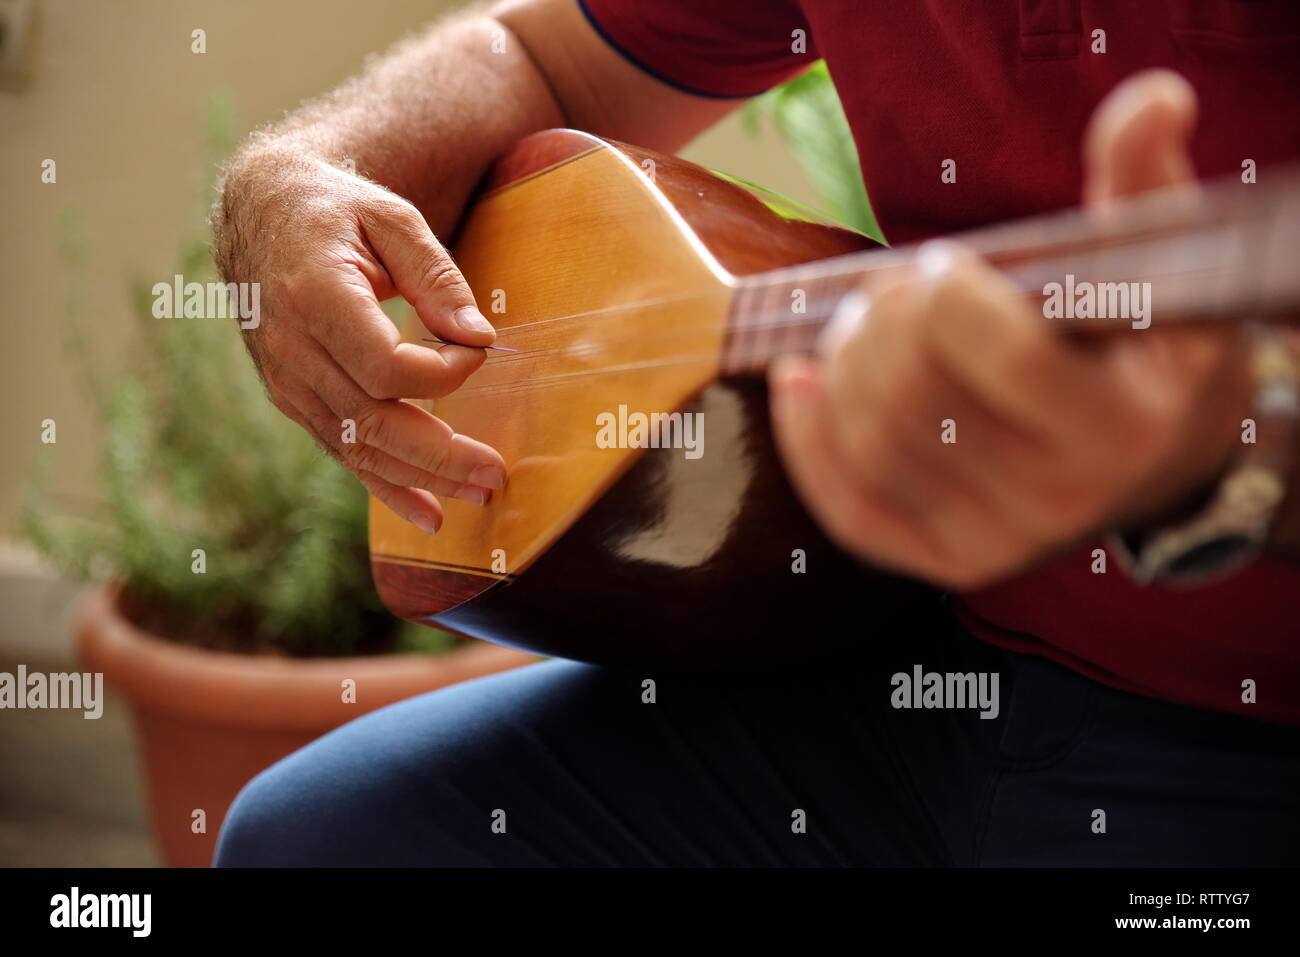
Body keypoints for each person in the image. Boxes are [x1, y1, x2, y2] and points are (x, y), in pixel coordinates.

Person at [212, 0, 1300, 866]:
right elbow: (542, 54)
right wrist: (304, 174)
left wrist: (1233, 460)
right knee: (318, 839)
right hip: (913, 662)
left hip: (1243, 744)